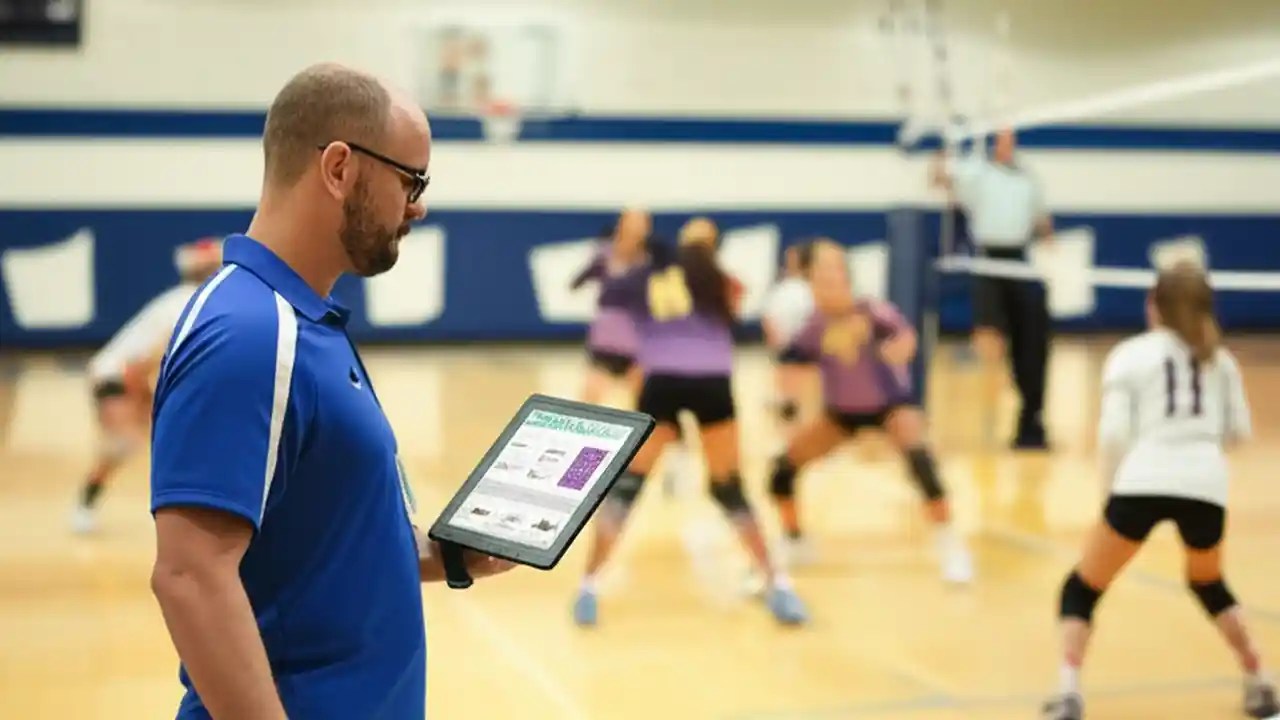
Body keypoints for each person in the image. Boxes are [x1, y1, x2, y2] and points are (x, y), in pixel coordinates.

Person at [147, 63, 514, 720]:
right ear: (339, 168)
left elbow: (325, 546)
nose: (418, 206)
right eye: (411, 180)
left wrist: (450, 554)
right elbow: (190, 577)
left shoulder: (298, 322)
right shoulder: (251, 333)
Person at [1041, 264, 1277, 720]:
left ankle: (1067, 692)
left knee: (1082, 588)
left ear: (1154, 305)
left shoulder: (1131, 354)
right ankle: (1260, 679)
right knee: (1208, 582)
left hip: (1141, 481)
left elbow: (1113, 434)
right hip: (1206, 487)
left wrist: (1109, 492)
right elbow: (1240, 432)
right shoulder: (1220, 360)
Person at [571, 216, 808, 627]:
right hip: (712, 382)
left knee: (627, 487)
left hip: (661, 381)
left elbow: (610, 298)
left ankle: (588, 586)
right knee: (729, 487)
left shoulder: (647, 275)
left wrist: (623, 255)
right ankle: (778, 584)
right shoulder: (721, 280)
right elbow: (734, 312)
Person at [766, 240, 974, 582]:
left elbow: (905, 338)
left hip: (889, 406)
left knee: (921, 461)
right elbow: (792, 364)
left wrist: (894, 349)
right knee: (782, 470)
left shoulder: (872, 312)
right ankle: (794, 539)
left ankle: (950, 545)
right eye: (817, 283)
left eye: (831, 280)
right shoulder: (815, 325)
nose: (824, 289)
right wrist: (788, 409)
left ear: (846, 282)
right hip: (840, 413)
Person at [72, 238, 223, 534]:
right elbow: (138, 364)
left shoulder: (183, 300)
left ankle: (180, 509)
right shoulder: (185, 306)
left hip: (120, 375)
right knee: (125, 444)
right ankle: (86, 507)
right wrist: (145, 398)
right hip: (117, 376)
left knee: (161, 444)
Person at [931, 128, 1053, 449]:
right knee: (990, 336)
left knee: (1031, 337)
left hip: (1020, 260)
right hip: (989, 261)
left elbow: (1042, 221)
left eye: (1010, 137)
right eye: (1000, 138)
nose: (1006, 143)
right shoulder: (977, 174)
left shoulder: (1027, 178)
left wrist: (1052, 251)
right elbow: (940, 179)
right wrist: (945, 144)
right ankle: (986, 413)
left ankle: (1029, 417)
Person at [570, 207, 651, 408]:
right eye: (632, 223)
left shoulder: (649, 259)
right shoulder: (606, 255)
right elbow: (578, 281)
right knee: (591, 395)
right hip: (606, 337)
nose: (637, 229)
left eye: (641, 224)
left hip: (636, 337)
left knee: (642, 398)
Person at [760, 241, 817, 429]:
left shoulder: (813, 289)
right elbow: (768, 319)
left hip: (806, 352)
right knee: (790, 403)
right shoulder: (782, 289)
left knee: (805, 403)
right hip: (787, 351)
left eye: (792, 259)